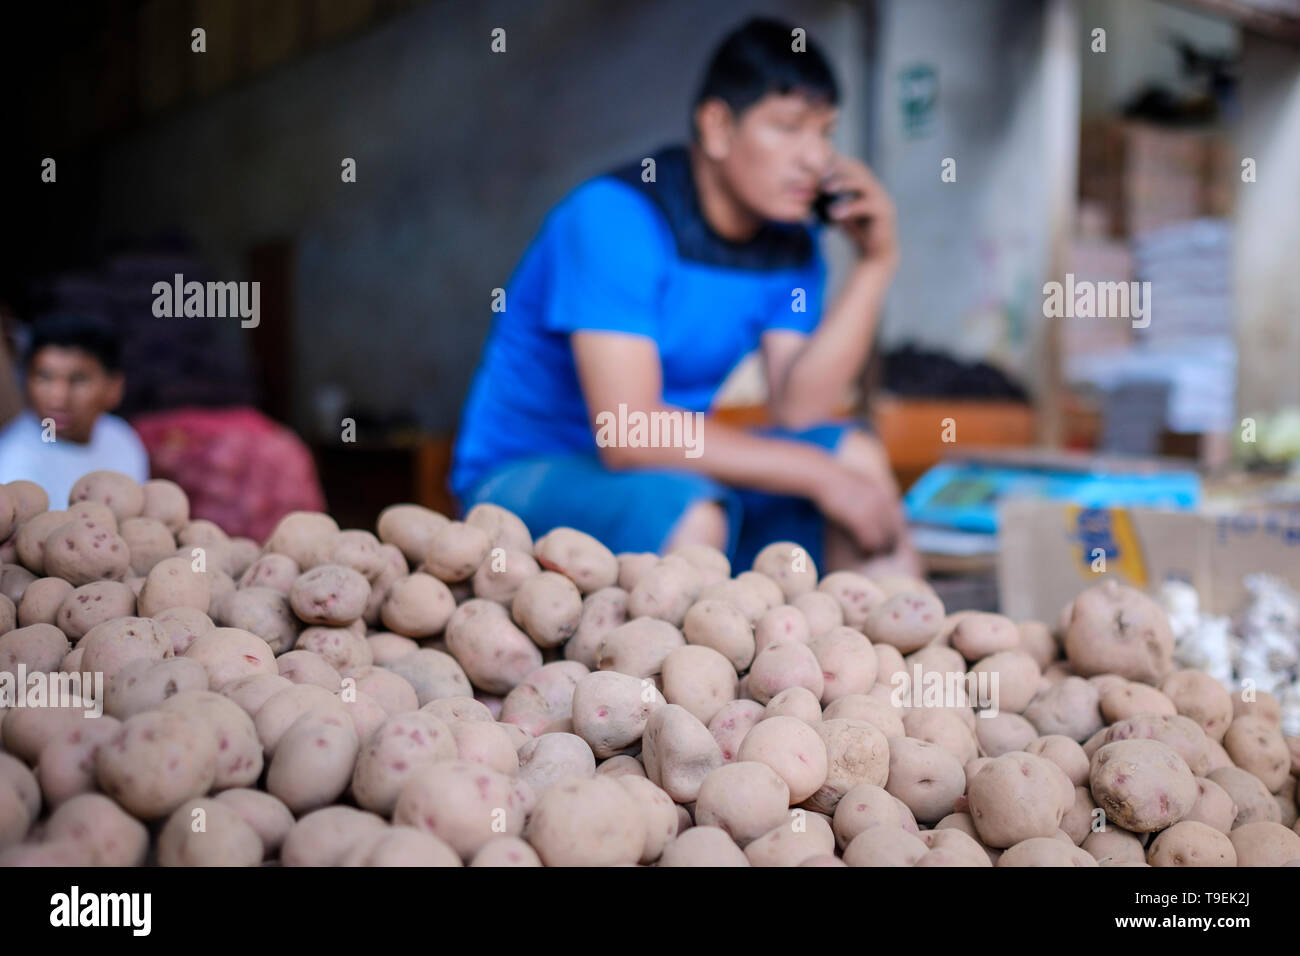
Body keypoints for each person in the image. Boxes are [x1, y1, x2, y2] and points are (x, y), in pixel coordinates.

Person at [451, 17, 919, 575]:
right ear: (718, 128)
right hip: (530, 475)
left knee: (857, 459)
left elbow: (799, 409)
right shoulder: (614, 219)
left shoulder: (791, 242)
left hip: (675, 471)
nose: (816, 158)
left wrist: (875, 263)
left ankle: (894, 661)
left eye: (825, 131)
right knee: (697, 515)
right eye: (790, 127)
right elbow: (629, 432)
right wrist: (820, 474)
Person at [0, 313, 149, 505]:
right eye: (44, 377)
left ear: (114, 388)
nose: (58, 399)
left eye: (78, 380)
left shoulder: (121, 438)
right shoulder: (13, 466)